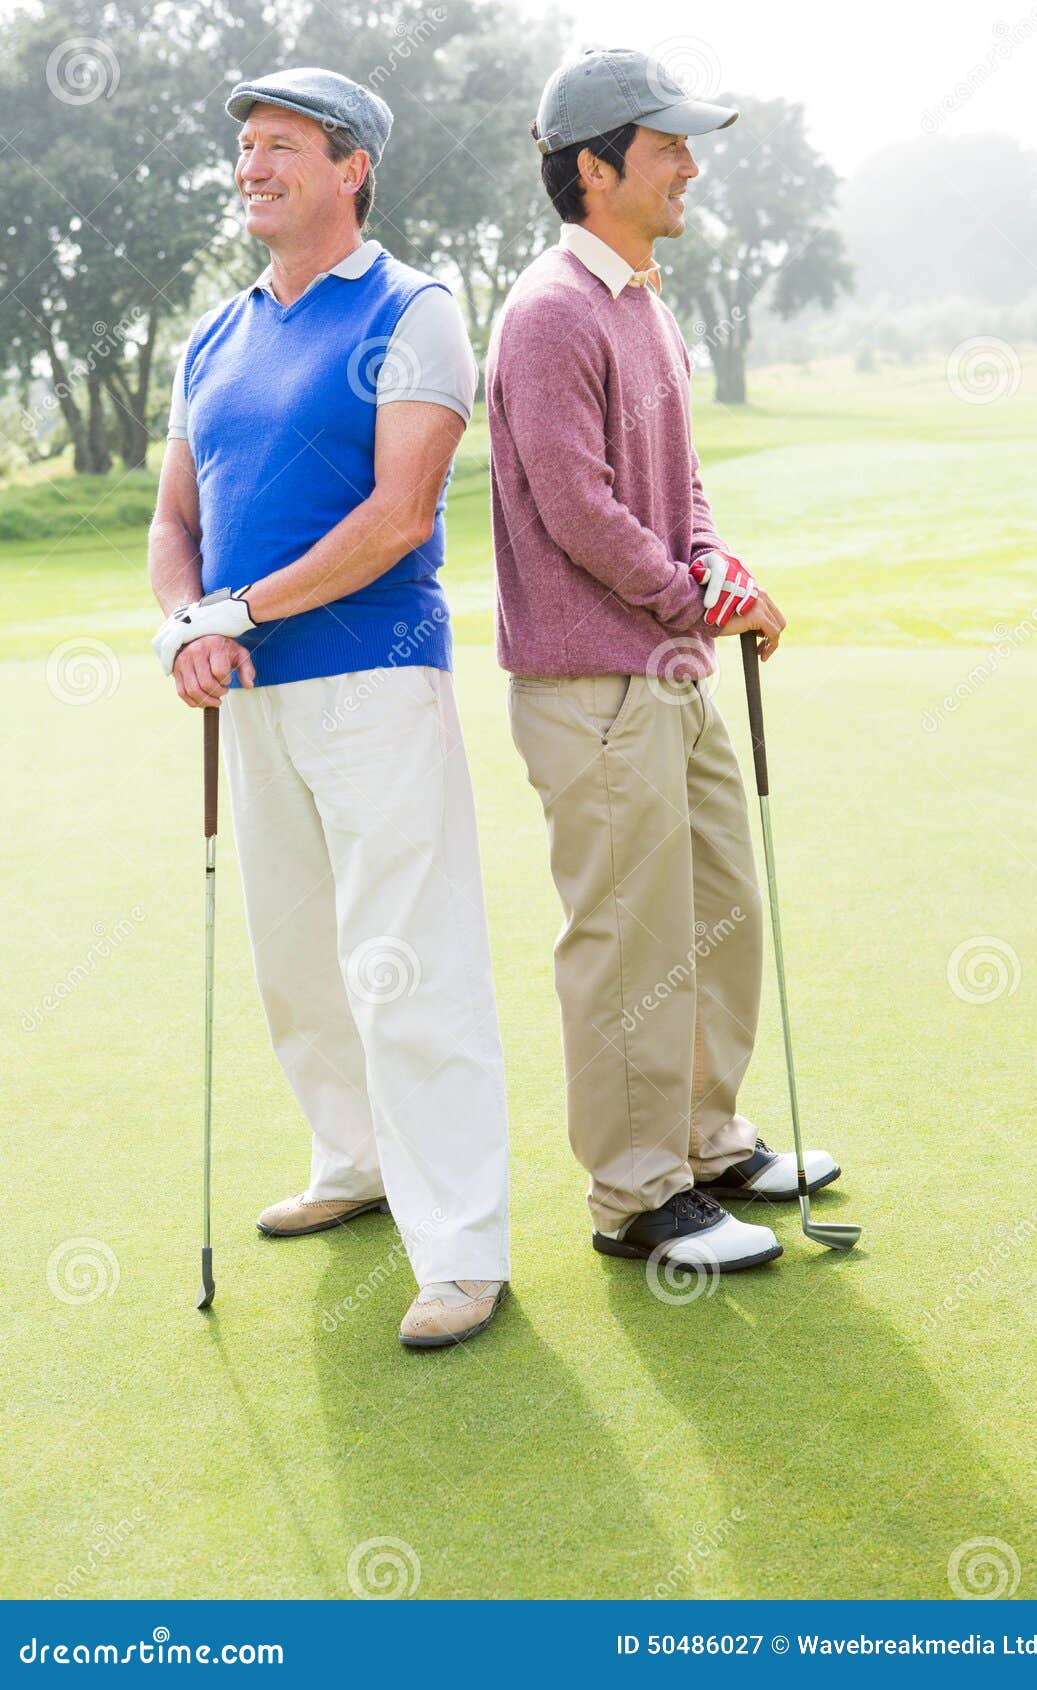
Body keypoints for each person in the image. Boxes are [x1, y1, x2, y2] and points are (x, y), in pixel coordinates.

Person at [148, 67, 509, 1348]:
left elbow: (398, 514)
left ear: (351, 167)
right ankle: (353, 1162)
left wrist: (234, 611)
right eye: (245, 146)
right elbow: (175, 519)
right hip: (254, 693)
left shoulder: (413, 309)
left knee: (408, 964)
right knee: (295, 963)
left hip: (375, 680)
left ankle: (460, 1248)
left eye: (281, 145)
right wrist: (184, 621)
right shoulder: (215, 335)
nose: (251, 165)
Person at [485, 48, 842, 1277]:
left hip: (669, 672)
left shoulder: (642, 299)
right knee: (629, 938)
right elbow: (576, 505)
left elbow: (677, 483)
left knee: (716, 908)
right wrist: (693, 593)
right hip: (591, 685)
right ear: (595, 168)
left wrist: (711, 561)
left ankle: (702, 1139)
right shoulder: (548, 311)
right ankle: (634, 1192)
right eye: (666, 145)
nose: (689, 165)